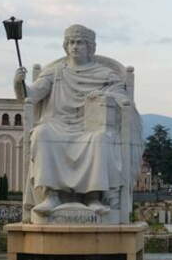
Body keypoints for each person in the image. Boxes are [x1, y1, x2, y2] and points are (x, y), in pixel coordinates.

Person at [14, 24, 141, 217]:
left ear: (90, 47)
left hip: (90, 128)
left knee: (100, 139)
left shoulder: (104, 74)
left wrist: (104, 96)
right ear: (66, 46)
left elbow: (123, 99)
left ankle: (93, 196)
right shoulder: (55, 72)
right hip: (58, 124)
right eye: (71, 42)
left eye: (80, 42)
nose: (75, 46)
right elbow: (30, 95)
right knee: (41, 133)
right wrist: (19, 83)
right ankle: (51, 195)